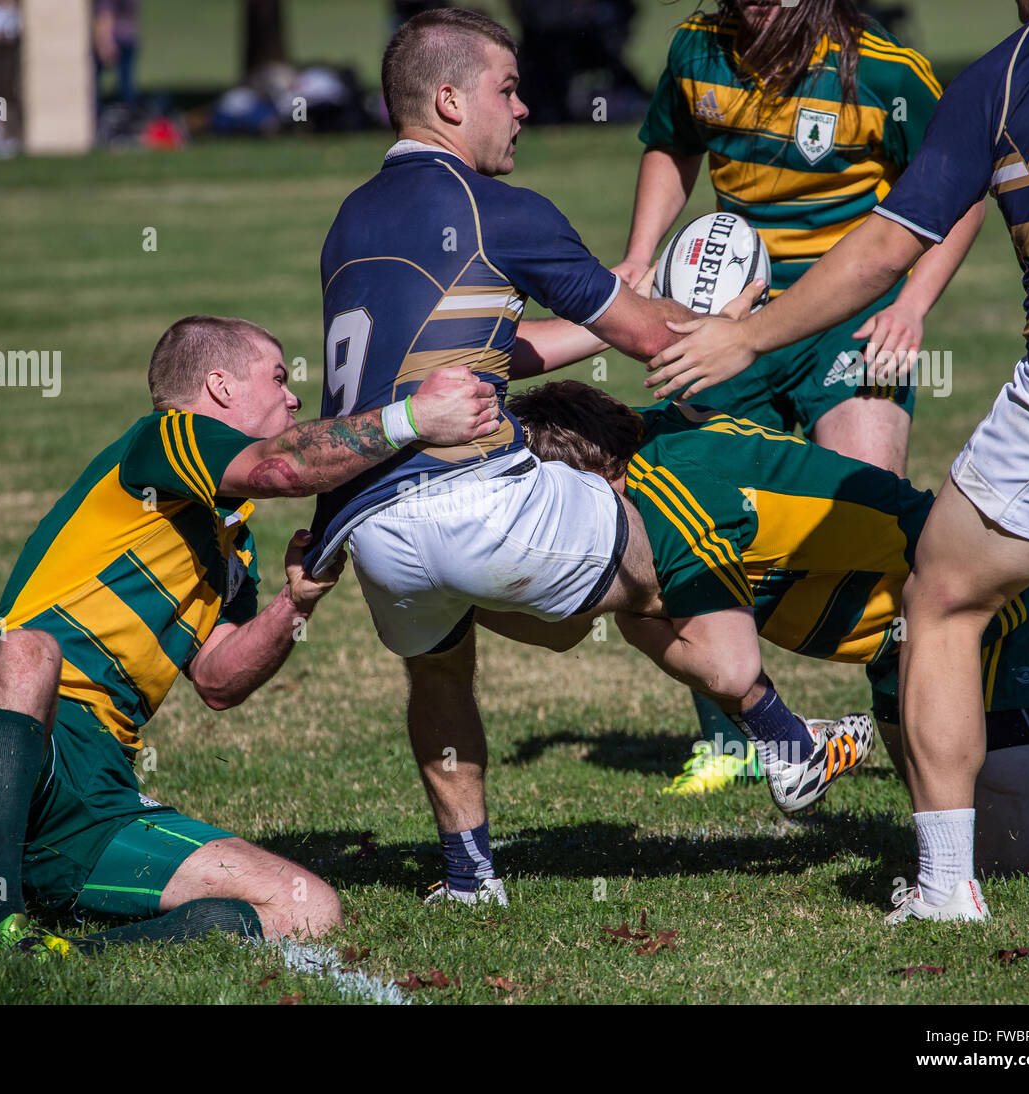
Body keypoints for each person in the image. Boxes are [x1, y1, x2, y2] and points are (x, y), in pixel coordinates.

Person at [643, 0, 1029, 920]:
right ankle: (763, 737)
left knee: (934, 584)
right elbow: (669, 141)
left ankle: (943, 882)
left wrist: (750, 336)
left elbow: (887, 246)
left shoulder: (997, 70)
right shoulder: (698, 48)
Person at [305, 8, 764, 906]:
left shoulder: (349, 222)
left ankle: (469, 877)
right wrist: (747, 330)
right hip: (477, 498)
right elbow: (645, 335)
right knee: (673, 552)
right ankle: (783, 738)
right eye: (506, 90)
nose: (521, 109)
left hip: (376, 529)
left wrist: (594, 332)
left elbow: (478, 352)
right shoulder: (499, 209)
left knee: (439, 670)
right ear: (448, 100)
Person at [0, 315, 498, 954]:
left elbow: (219, 680)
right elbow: (281, 469)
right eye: (278, 378)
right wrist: (412, 418)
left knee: (307, 908)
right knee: (28, 651)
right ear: (219, 388)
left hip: (98, 787)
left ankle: (65, 952)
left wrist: (295, 603)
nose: (294, 397)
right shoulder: (164, 439)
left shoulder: (231, 542)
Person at [610, 0, 987, 792]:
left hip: (850, 329)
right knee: (686, 510)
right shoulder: (696, 50)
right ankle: (742, 734)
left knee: (874, 527)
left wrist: (910, 303)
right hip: (725, 326)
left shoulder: (888, 72)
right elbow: (669, 145)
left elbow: (961, 192)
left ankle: (906, 725)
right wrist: (640, 257)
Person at [505, 380, 1029, 879]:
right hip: (903, 644)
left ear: (595, 480)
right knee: (961, 821)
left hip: (988, 612)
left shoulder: (670, 498)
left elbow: (728, 666)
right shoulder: (647, 439)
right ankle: (798, 745)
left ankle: (794, 745)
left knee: (1007, 852)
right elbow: (568, 621)